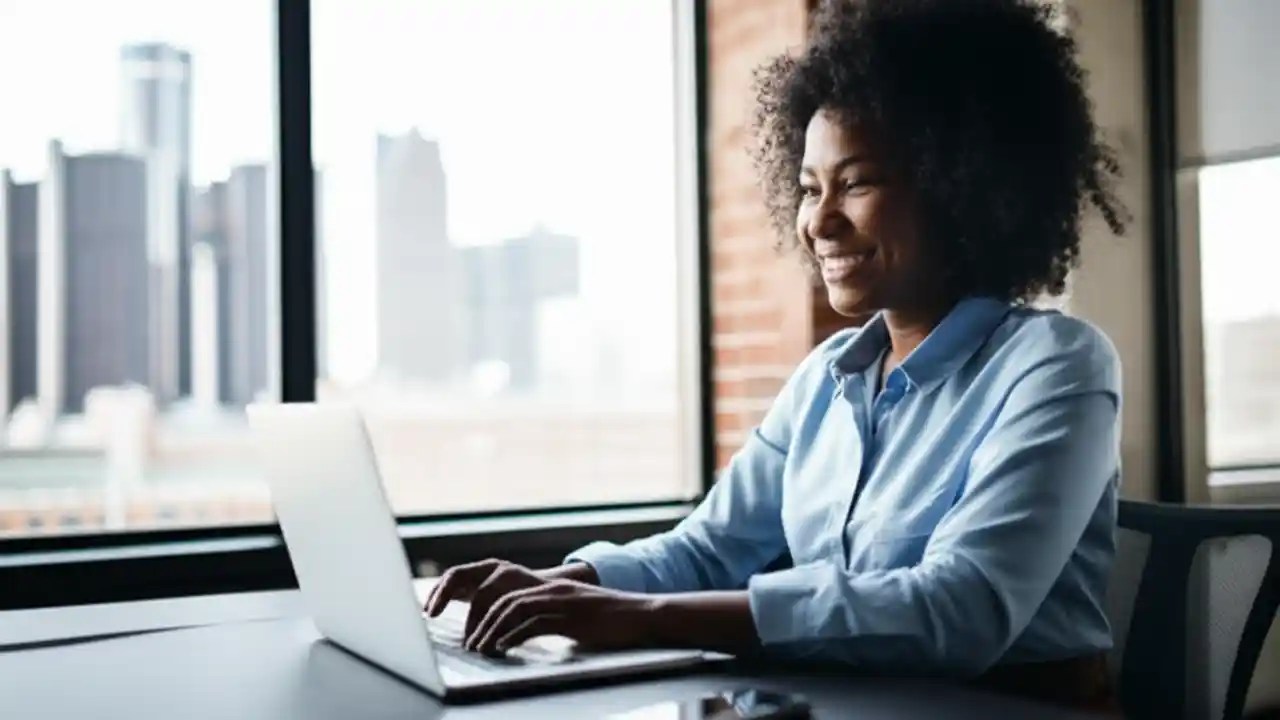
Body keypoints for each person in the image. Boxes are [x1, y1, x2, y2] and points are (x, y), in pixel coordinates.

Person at [427, 0, 1126, 708]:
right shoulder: (825, 380)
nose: (819, 222)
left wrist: (637, 620)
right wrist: (566, 587)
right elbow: (705, 550)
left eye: (855, 183)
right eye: (808, 188)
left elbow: (960, 610)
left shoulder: (1057, 366)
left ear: (963, 187)